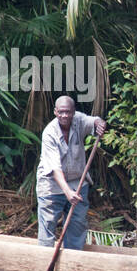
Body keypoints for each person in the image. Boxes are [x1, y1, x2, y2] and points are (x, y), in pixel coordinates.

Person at [36, 96, 106, 249]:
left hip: (77, 181)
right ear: (55, 112)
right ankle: (43, 259)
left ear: (74, 112)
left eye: (68, 112)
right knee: (48, 223)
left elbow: (94, 121)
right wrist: (67, 192)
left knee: (78, 223)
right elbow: (55, 168)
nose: (65, 116)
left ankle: (73, 259)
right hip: (51, 184)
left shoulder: (79, 120)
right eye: (61, 112)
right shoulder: (49, 133)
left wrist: (99, 123)